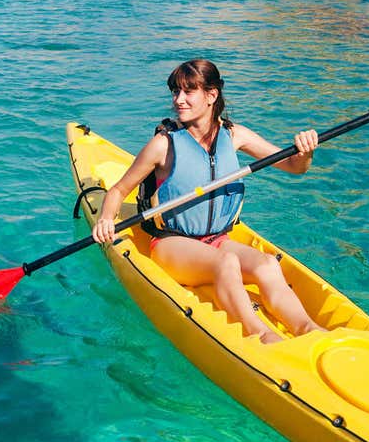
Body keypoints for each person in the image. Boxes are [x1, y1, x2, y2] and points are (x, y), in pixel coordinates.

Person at [91, 59, 326, 345]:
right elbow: (118, 190)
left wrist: (306, 152)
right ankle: (261, 334)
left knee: (266, 264)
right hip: (171, 244)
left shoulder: (234, 135)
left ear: (211, 95)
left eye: (188, 92)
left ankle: (308, 328)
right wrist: (105, 219)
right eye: (175, 91)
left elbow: (294, 166)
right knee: (226, 262)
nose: (178, 100)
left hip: (217, 239)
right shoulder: (164, 145)